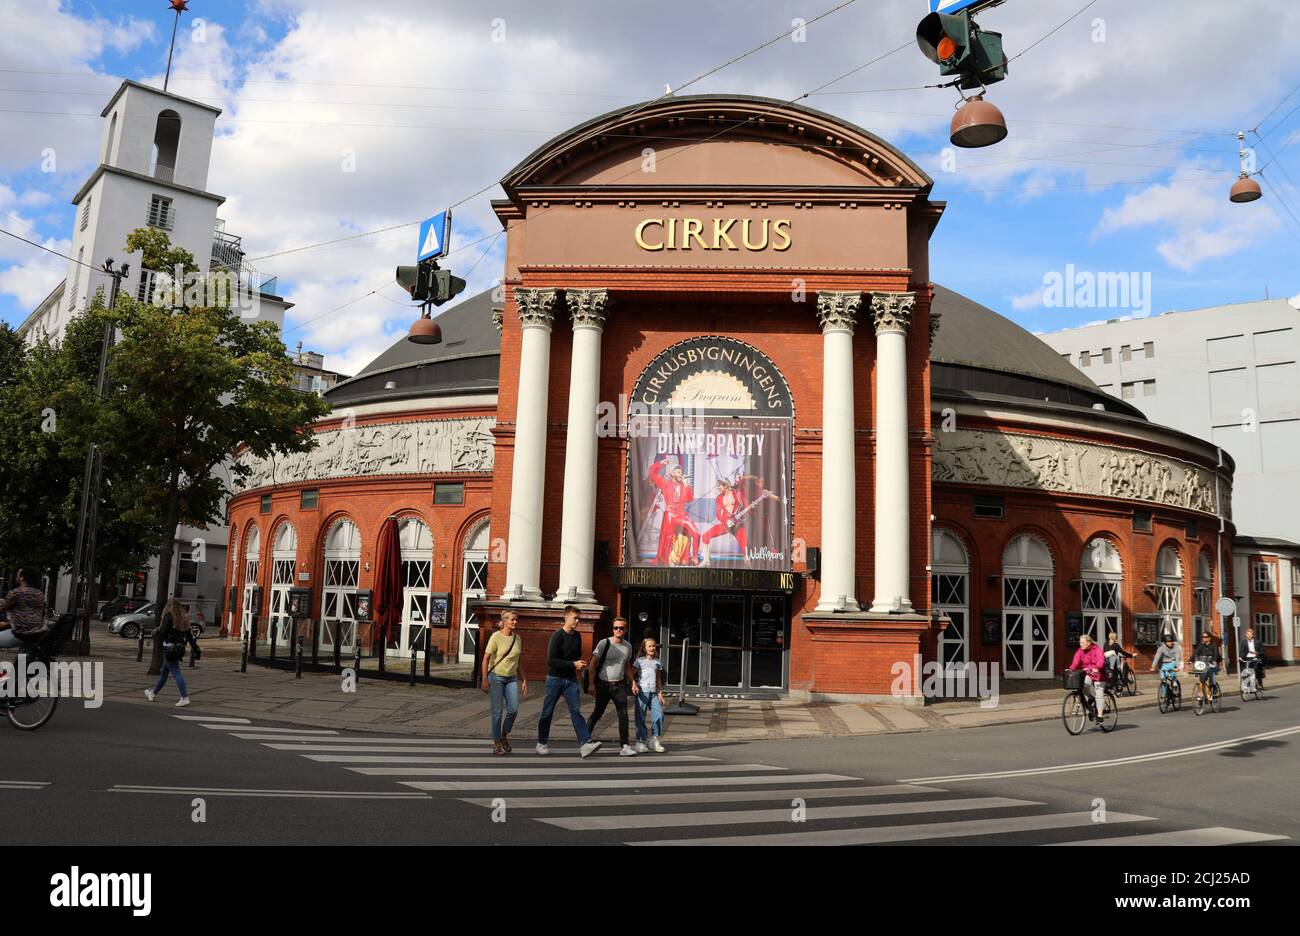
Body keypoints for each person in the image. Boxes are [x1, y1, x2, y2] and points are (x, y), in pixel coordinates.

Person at [536, 606, 601, 758]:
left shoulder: (577, 636)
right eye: (575, 618)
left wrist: (579, 666)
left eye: (579, 618)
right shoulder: (557, 636)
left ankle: (585, 743)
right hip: (555, 679)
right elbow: (551, 661)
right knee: (547, 712)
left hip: (571, 680)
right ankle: (541, 742)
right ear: (566, 618)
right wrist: (573, 664)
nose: (578, 621)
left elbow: (575, 657)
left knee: (576, 711)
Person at [585, 616, 637, 756]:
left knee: (623, 715)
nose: (618, 630)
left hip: (619, 685)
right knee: (598, 712)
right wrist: (591, 684)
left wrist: (633, 682)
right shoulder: (604, 643)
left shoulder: (628, 646)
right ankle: (584, 739)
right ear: (612, 629)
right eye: (616, 628)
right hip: (603, 685)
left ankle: (624, 745)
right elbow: (592, 665)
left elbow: (627, 667)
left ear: (625, 629)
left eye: (621, 628)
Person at [481, 610, 527, 755]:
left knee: (513, 709)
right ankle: (496, 742)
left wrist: (524, 679)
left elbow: (518, 662)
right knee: (497, 712)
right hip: (496, 677)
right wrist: (484, 679)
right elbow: (486, 658)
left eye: (516, 620)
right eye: (513, 620)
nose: (515, 622)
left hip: (512, 678)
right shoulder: (496, 637)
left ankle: (504, 735)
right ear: (505, 621)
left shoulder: (517, 638)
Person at [145, 598, 199, 707]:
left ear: (168, 606)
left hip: (169, 648)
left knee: (176, 672)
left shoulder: (168, 616)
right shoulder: (184, 618)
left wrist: (157, 632)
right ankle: (153, 693)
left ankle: (184, 697)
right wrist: (196, 648)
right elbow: (189, 636)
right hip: (179, 649)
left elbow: (163, 631)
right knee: (164, 672)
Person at [648, 459, 700, 566]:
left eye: (681, 472)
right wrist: (661, 463)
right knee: (667, 539)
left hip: (682, 514)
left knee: (696, 533)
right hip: (670, 514)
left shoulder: (684, 485)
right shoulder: (665, 483)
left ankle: (694, 558)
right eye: (678, 472)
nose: (680, 474)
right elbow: (651, 473)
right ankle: (666, 562)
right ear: (672, 473)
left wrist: (686, 486)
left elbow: (689, 499)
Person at [700, 479, 749, 565]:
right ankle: (706, 561)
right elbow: (718, 514)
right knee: (705, 536)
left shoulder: (738, 494)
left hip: (738, 525)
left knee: (744, 545)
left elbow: (747, 507)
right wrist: (726, 521)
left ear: (725, 486)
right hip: (726, 524)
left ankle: (749, 566)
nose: (717, 488)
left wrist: (751, 510)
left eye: (719, 486)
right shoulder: (718, 498)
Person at [631, 636, 667, 753]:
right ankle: (640, 742)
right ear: (644, 648)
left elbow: (658, 679)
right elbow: (631, 674)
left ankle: (654, 739)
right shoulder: (639, 661)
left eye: (654, 646)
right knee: (640, 717)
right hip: (642, 692)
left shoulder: (657, 661)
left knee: (659, 714)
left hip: (653, 693)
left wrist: (661, 692)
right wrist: (634, 684)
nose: (652, 648)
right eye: (649, 646)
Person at [0, 567, 49, 650]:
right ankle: (22, 662)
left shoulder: (16, 593)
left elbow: (3, 607)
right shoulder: (40, 594)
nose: (17, 576)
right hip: (38, 633)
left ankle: (22, 661)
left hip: (21, 635)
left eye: (18, 574)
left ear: (22, 577)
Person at [1066, 633, 1109, 723]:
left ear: (1088, 643)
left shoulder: (1097, 649)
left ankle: (1100, 715)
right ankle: (1090, 698)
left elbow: (1101, 661)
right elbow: (1075, 662)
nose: (1080, 644)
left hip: (1100, 674)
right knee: (1084, 686)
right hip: (1089, 673)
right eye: (1080, 642)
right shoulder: (1080, 651)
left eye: (1082, 642)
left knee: (1099, 693)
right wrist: (1070, 670)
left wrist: (1097, 668)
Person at [1192, 629, 1222, 701]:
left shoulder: (1213, 645)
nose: (1203, 638)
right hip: (1203, 664)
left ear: (1209, 638)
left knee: (1210, 671)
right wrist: (1190, 660)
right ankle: (1201, 694)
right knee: (1202, 677)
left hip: (1212, 663)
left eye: (1205, 637)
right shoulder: (1201, 645)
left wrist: (1214, 660)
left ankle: (1214, 687)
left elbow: (1216, 654)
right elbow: (1196, 653)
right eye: (1202, 637)